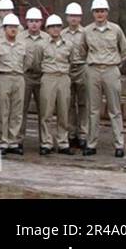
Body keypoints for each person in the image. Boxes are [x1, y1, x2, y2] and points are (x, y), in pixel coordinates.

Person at [83, 0, 126, 158]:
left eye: (102, 11)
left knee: (115, 109)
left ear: (107, 13)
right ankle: (91, 143)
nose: (100, 14)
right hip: (93, 70)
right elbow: (83, 50)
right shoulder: (87, 31)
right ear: (93, 13)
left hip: (111, 69)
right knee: (93, 109)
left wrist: (116, 65)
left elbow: (125, 50)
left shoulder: (116, 30)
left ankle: (119, 144)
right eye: (97, 11)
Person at [33, 14, 74, 156]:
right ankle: (46, 142)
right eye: (52, 27)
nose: (55, 29)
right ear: (47, 29)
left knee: (63, 111)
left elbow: (72, 60)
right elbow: (37, 63)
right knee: (46, 112)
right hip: (48, 77)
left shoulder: (68, 44)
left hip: (63, 77)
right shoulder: (41, 45)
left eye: (58, 26)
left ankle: (63, 142)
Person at [0, 13, 29, 154]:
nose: (13, 29)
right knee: (3, 111)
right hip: (3, 77)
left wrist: (19, 72)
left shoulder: (22, 45)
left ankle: (13, 142)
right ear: (4, 29)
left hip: (19, 77)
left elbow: (27, 62)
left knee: (17, 111)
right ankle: (2, 141)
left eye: (15, 27)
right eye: (10, 27)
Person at [61, 2, 89, 149]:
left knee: (84, 103)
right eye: (71, 16)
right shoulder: (61, 34)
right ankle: (71, 133)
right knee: (69, 103)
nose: (74, 19)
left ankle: (83, 134)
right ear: (67, 17)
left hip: (82, 68)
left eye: (77, 16)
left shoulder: (86, 33)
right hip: (67, 70)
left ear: (81, 18)